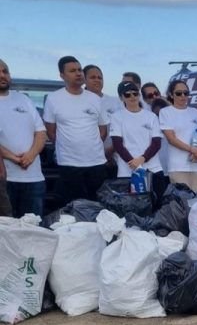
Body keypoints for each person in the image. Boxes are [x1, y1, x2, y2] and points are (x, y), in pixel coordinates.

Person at [43, 56, 108, 206]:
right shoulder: (54, 99)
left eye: (79, 70)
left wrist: (90, 147)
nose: (78, 73)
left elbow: (103, 131)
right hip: (69, 164)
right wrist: (68, 146)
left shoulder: (94, 99)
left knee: (98, 207)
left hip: (96, 163)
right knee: (73, 207)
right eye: (72, 71)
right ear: (62, 75)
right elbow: (51, 132)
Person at [0, 59, 47, 217]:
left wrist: (31, 155)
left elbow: (41, 132)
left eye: (5, 71)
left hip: (34, 178)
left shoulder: (24, 100)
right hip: (5, 179)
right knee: (6, 228)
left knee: (33, 227)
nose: (2, 75)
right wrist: (14, 157)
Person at [110, 81, 165, 203]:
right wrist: (133, 162)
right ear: (121, 98)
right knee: (131, 207)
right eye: (127, 94)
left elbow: (156, 143)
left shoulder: (151, 116)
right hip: (127, 171)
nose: (132, 97)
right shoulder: (116, 117)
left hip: (153, 169)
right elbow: (117, 144)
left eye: (135, 93)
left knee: (158, 205)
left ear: (139, 95)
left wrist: (142, 159)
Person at [159, 80, 197, 193]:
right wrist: (193, 150)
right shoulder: (165, 112)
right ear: (171, 95)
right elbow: (171, 139)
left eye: (186, 93)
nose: (183, 96)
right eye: (178, 93)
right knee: (182, 200)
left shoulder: (195, 112)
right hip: (178, 166)